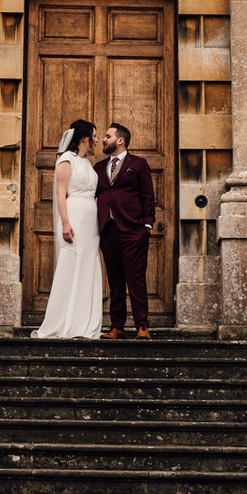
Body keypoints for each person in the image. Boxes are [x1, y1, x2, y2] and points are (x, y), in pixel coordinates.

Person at [33, 119, 103, 339]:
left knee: (88, 266)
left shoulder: (88, 164)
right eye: (94, 135)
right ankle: (63, 321)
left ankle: (85, 323)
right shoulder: (66, 160)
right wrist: (65, 222)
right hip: (73, 217)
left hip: (90, 221)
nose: (97, 139)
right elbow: (60, 192)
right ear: (84, 137)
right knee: (71, 264)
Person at [94, 121, 155, 339]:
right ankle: (117, 326)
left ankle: (142, 326)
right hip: (108, 231)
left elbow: (148, 195)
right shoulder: (99, 168)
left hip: (133, 230)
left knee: (136, 279)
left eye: (107, 136)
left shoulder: (138, 164)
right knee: (115, 280)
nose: (103, 139)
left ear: (120, 140)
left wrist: (146, 225)